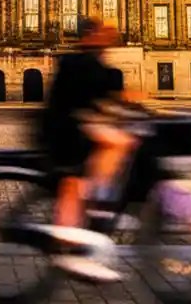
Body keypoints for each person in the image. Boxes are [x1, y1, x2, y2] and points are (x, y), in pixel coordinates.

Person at [35, 17, 140, 283]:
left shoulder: (91, 62)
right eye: (104, 34)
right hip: (65, 138)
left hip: (72, 132)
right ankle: (69, 248)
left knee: (115, 147)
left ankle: (98, 209)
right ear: (89, 35)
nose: (110, 39)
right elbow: (93, 103)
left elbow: (107, 100)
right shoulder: (80, 63)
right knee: (80, 180)